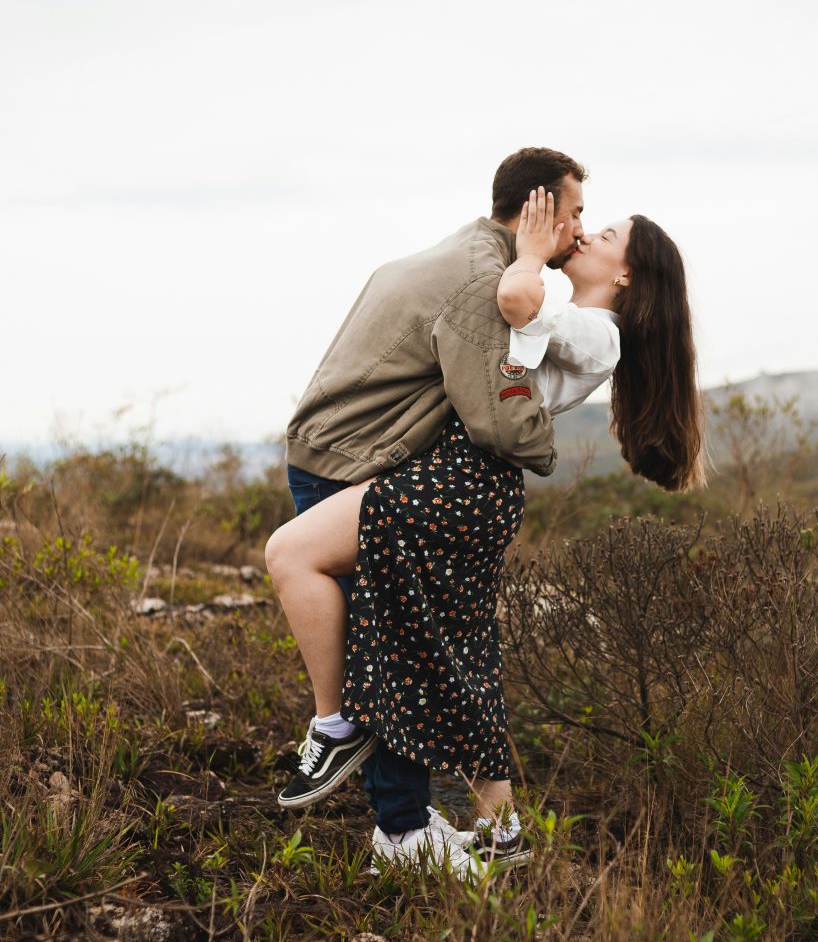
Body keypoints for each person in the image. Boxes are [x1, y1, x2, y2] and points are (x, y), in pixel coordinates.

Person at [267, 159, 707, 877]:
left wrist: (531, 254)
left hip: (462, 482)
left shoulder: (599, 332)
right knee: (446, 656)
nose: (586, 230)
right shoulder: (568, 312)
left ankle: (345, 739)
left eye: (604, 230)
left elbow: (514, 303)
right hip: (461, 482)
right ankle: (490, 835)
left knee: (328, 580)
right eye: (581, 215)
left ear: (628, 276)